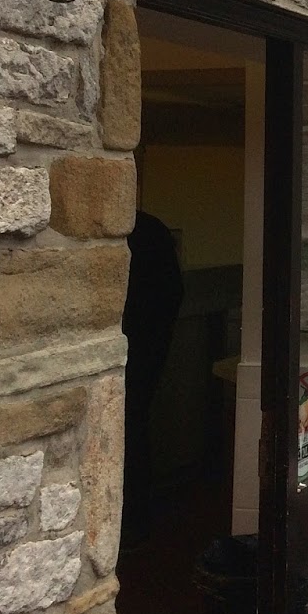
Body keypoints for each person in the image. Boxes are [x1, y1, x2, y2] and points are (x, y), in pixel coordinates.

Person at [122, 209, 184, 545]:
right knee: (136, 428)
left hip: (135, 347)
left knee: (128, 431)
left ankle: (130, 520)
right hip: (150, 347)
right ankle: (135, 518)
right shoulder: (154, 230)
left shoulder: (132, 232)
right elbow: (175, 293)